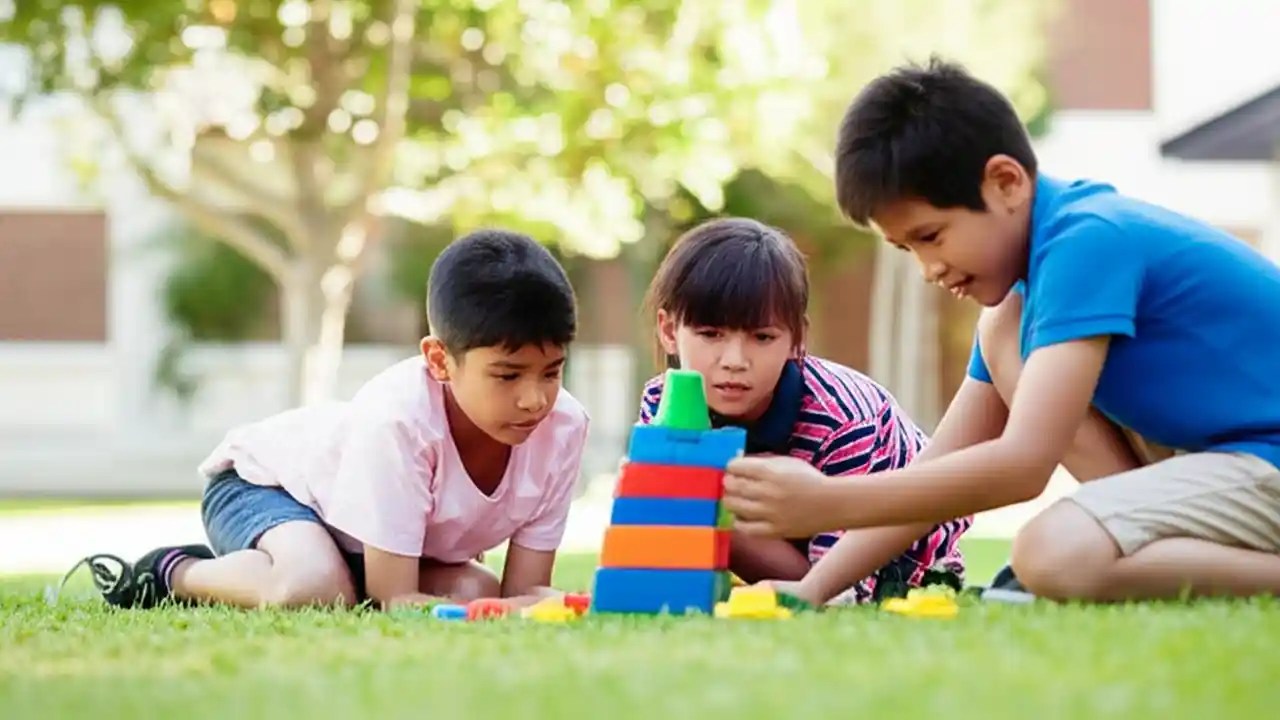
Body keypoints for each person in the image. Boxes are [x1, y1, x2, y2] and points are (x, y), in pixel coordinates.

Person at [720, 57, 1280, 603]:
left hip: (1262, 455)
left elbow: (1022, 465)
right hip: (1222, 461)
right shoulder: (1020, 304)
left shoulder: (1088, 240)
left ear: (1006, 182)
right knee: (1004, 333)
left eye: (932, 236)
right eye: (907, 248)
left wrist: (829, 502)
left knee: (1050, 554)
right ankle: (1126, 556)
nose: (928, 269)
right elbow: (937, 473)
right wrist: (812, 587)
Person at [68, 229, 590, 611]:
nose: (535, 400)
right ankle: (173, 573)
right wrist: (515, 610)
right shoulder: (400, 421)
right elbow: (396, 601)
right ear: (438, 361)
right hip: (268, 488)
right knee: (316, 590)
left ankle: (331, 571)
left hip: (361, 543)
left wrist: (567, 605)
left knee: (473, 592)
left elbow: (517, 593)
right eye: (507, 376)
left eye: (552, 372)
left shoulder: (564, 427)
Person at [636, 217, 970, 605]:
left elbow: (839, 589)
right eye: (711, 334)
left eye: (762, 337)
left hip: (900, 564)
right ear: (668, 330)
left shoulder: (841, 416)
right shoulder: (663, 402)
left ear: (797, 339)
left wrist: (709, 510)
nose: (735, 360)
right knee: (692, 496)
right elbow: (658, 534)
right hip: (787, 543)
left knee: (706, 499)